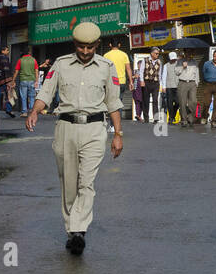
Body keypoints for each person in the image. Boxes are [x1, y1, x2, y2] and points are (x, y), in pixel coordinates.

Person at [25, 21, 123, 255]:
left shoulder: (107, 67)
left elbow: (113, 103)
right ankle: (72, 230)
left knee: (86, 182)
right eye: (81, 47)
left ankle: (79, 230)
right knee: (69, 184)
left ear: (97, 44)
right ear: (75, 44)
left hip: (95, 129)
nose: (86, 52)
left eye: (90, 47)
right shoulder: (60, 64)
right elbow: (46, 93)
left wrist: (118, 135)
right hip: (66, 128)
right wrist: (34, 111)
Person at [103, 39, 133, 124]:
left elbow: (103, 70)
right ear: (119, 45)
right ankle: (117, 125)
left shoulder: (106, 55)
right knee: (119, 103)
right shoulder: (124, 55)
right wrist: (131, 82)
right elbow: (128, 69)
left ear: (110, 45)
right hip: (121, 82)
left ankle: (112, 125)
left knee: (111, 103)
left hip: (110, 83)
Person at [177, 54, 200, 128]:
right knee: (182, 102)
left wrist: (197, 83)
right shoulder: (179, 62)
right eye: (188, 52)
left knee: (193, 101)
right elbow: (176, 72)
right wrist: (182, 67)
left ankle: (190, 118)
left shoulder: (194, 62)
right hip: (182, 82)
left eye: (191, 52)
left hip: (192, 83)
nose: (189, 54)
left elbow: (197, 73)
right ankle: (184, 120)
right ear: (185, 53)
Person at [141, 47, 163, 123]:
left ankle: (156, 118)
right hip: (146, 82)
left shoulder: (159, 62)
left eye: (158, 54)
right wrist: (142, 81)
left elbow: (160, 73)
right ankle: (146, 118)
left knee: (155, 100)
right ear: (152, 53)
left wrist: (160, 83)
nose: (157, 55)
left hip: (156, 83)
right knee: (145, 100)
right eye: (156, 53)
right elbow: (141, 71)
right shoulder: (145, 60)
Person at [0, 46, 17, 119]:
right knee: (9, 94)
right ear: (3, 51)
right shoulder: (5, 58)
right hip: (6, 79)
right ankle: (8, 109)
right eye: (7, 50)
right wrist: (10, 81)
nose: (8, 52)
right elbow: (6, 69)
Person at [15, 49, 38, 115]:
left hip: (23, 80)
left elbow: (16, 71)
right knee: (32, 96)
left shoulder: (20, 60)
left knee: (23, 97)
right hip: (32, 80)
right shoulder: (34, 60)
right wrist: (36, 81)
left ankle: (24, 112)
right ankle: (31, 111)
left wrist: (13, 80)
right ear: (29, 52)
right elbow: (36, 71)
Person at [162, 50, 180, 123]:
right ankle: (171, 118)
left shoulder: (179, 64)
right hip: (169, 86)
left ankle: (172, 115)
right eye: (172, 59)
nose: (173, 60)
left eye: (174, 58)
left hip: (177, 86)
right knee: (169, 102)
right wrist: (163, 86)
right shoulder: (166, 65)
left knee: (178, 102)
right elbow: (164, 76)